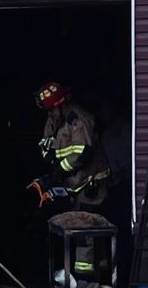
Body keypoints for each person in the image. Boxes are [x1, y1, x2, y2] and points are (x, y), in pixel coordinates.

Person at [31, 80, 109, 209]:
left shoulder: (78, 118)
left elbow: (84, 152)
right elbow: (44, 142)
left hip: (91, 186)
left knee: (89, 224)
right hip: (73, 185)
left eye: (51, 110)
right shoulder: (54, 120)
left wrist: (60, 169)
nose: (49, 114)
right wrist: (48, 156)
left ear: (59, 105)